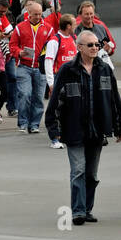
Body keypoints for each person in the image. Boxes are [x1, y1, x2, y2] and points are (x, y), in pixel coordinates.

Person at [44, 31, 121, 225]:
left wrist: (120, 126)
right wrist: (53, 128)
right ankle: (78, 211)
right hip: (74, 129)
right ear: (79, 47)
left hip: (97, 129)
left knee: (92, 174)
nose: (94, 48)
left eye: (97, 45)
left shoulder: (105, 69)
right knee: (78, 170)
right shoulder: (67, 70)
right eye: (90, 45)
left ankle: (87, 208)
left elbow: (114, 98)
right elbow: (56, 100)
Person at [8, 1, 52, 133]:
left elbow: (51, 46)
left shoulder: (48, 29)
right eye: (35, 14)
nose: (38, 16)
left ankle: (34, 124)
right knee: (25, 94)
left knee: (38, 97)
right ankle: (23, 123)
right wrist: (19, 52)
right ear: (28, 14)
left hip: (41, 68)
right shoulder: (20, 27)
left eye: (40, 14)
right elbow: (12, 46)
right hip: (24, 66)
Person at [42, 15, 79, 149]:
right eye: (74, 24)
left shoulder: (74, 39)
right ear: (68, 26)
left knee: (71, 108)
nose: (75, 26)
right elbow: (49, 61)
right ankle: (54, 138)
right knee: (56, 109)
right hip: (59, 79)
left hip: (73, 79)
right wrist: (51, 83)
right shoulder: (54, 41)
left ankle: (67, 134)